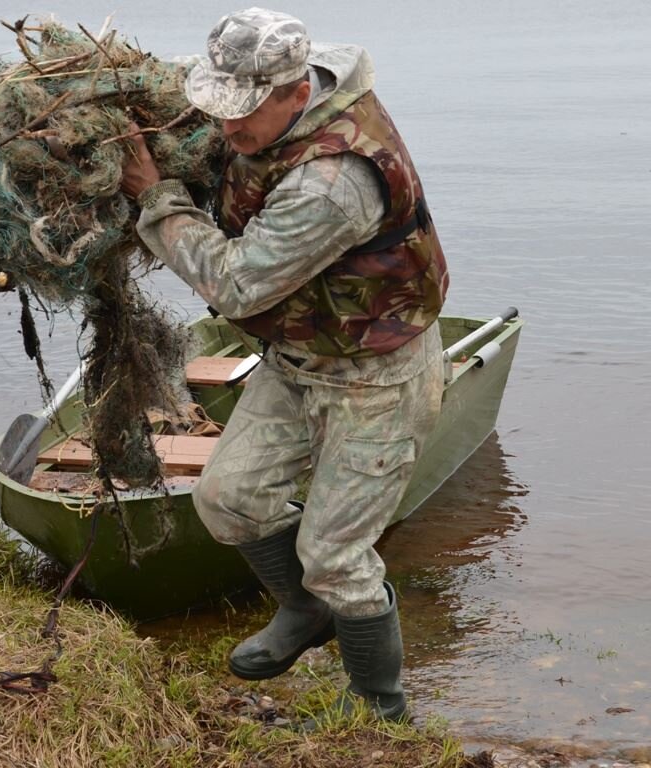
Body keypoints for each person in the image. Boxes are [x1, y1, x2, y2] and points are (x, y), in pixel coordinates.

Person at [120, 7, 449, 722]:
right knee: (227, 500)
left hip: (377, 376)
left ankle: (379, 714)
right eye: (220, 108)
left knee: (337, 555)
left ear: (296, 94)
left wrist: (157, 198)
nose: (226, 129)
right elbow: (222, 116)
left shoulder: (332, 184)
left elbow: (237, 283)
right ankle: (304, 610)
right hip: (300, 353)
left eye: (242, 116)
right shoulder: (278, 81)